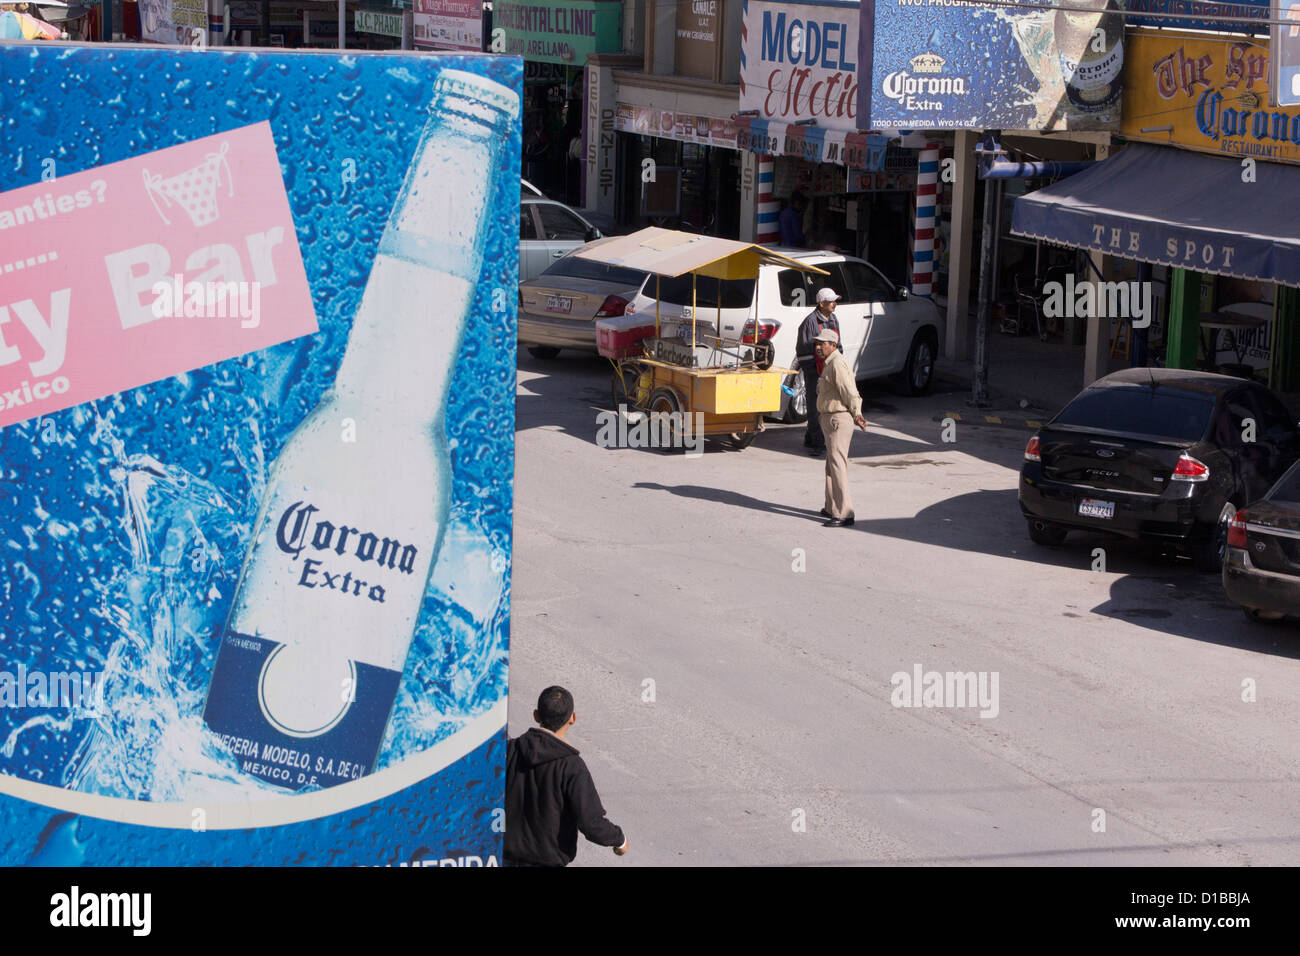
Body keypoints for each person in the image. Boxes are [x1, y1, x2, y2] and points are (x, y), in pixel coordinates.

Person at [504, 685, 628, 867]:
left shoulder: (509, 750)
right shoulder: (572, 766)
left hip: (503, 857)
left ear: (536, 715)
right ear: (572, 718)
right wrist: (620, 840)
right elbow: (591, 822)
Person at [813, 328, 867, 528]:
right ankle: (831, 507)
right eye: (817, 344)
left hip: (838, 420)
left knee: (837, 465)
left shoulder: (837, 363)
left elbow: (850, 391)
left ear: (833, 345)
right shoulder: (829, 363)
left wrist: (857, 413)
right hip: (828, 419)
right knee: (830, 465)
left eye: (822, 343)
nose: (818, 347)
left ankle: (845, 513)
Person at [795, 288, 844, 457]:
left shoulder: (834, 319)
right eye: (831, 301)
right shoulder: (809, 323)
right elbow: (803, 351)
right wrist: (814, 373)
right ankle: (817, 442)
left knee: (825, 406)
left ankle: (811, 437)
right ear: (821, 303)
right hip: (815, 372)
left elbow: (838, 345)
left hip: (829, 371)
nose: (834, 303)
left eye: (835, 300)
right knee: (816, 407)